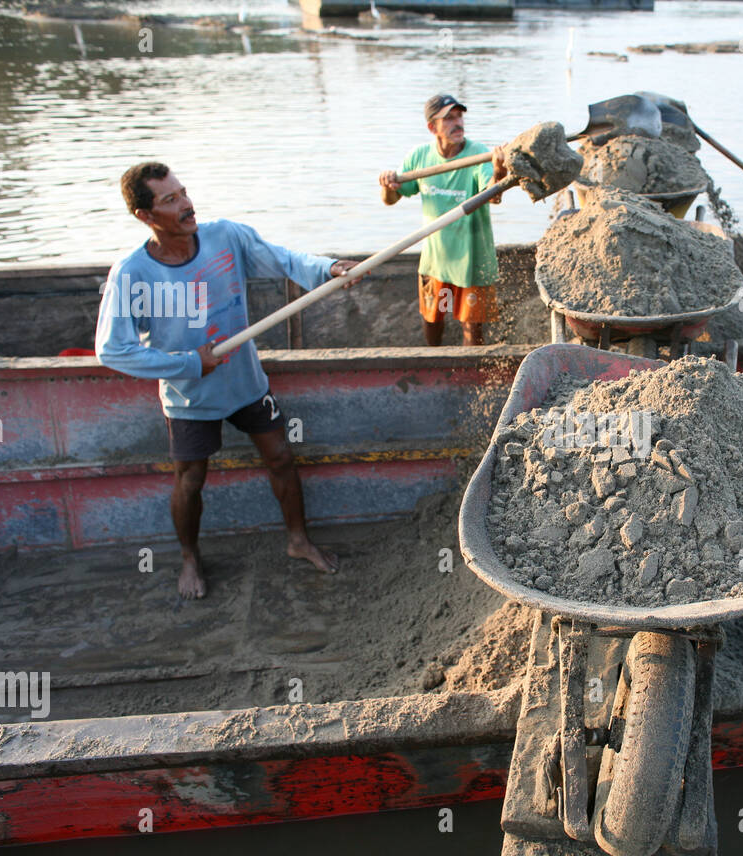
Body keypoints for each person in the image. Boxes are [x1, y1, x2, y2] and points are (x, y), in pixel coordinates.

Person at [95, 161, 360, 599]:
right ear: (145, 215)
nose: (186, 205)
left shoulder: (225, 236)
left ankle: (298, 541)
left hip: (245, 382)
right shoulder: (131, 273)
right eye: (170, 200)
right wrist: (188, 364)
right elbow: (113, 349)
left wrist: (328, 268)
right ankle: (189, 558)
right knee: (190, 478)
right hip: (189, 395)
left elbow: (283, 259)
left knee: (280, 457)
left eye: (183, 193)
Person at [377, 94, 508, 346]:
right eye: (448, 118)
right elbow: (391, 199)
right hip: (437, 261)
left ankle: (469, 378)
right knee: (433, 319)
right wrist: (387, 184)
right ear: (432, 127)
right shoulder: (419, 157)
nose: (457, 123)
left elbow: (493, 196)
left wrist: (500, 172)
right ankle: (434, 365)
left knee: (472, 327)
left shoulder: (479, 155)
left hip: (472, 262)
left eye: (459, 116)